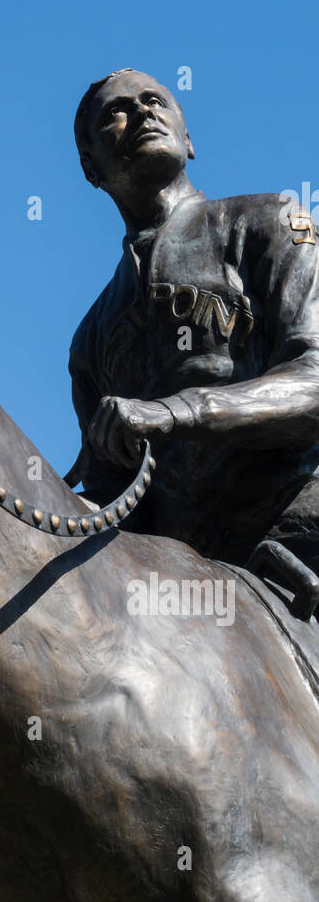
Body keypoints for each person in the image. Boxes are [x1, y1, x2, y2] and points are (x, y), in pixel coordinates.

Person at [66, 68, 319, 592]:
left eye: (155, 100)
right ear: (90, 168)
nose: (141, 111)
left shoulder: (269, 220)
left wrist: (174, 412)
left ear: (190, 140)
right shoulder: (90, 339)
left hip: (299, 528)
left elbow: (315, 377)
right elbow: (115, 507)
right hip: (182, 581)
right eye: (116, 112)